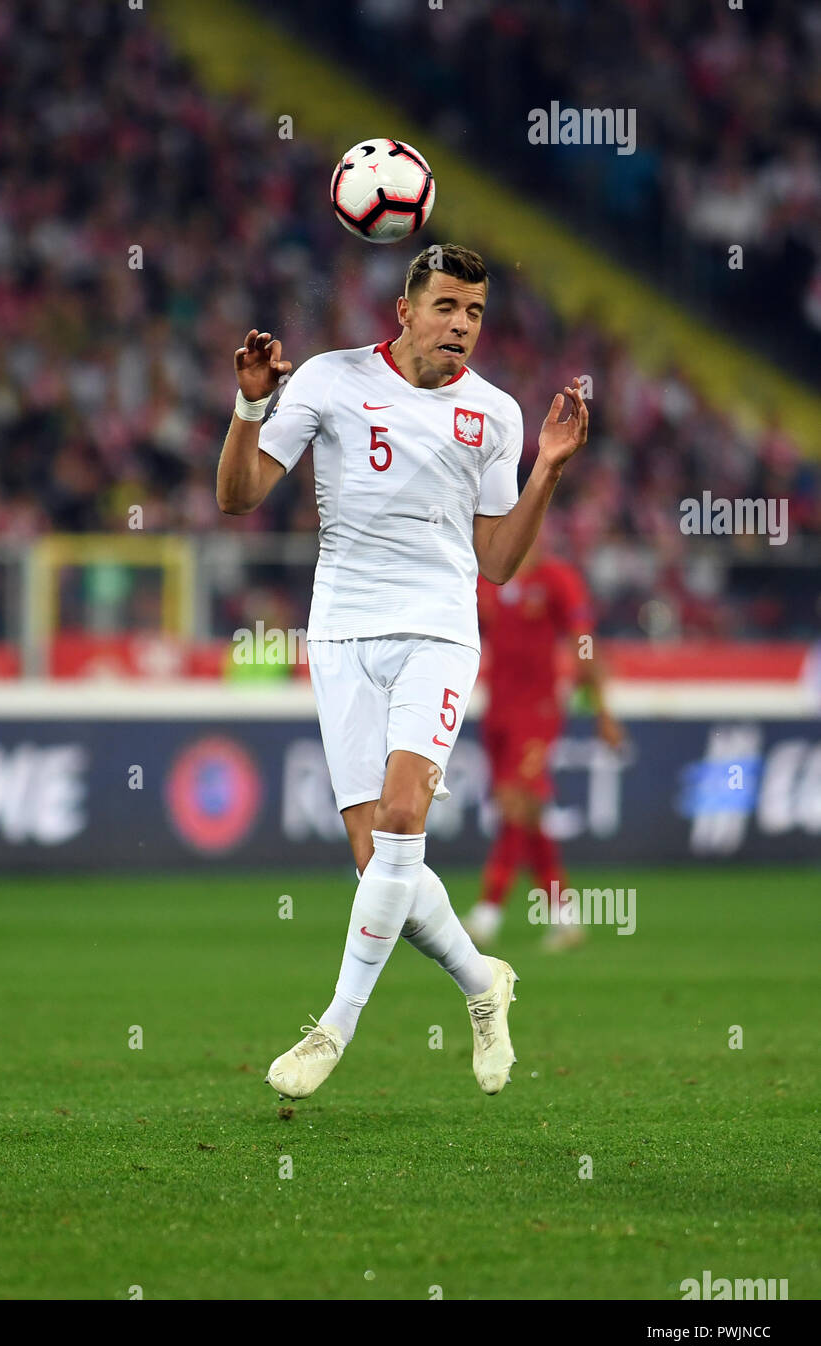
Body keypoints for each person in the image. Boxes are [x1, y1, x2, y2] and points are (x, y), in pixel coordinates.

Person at [215, 244, 589, 1102]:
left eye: (475, 313)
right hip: (342, 633)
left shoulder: (493, 414)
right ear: (405, 311)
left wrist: (546, 472)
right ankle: (479, 981)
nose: (461, 325)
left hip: (437, 630)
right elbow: (237, 497)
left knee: (401, 816)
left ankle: (331, 1028)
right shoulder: (327, 379)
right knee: (375, 858)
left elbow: (495, 561)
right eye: (447, 307)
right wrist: (248, 402)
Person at [464, 541, 624, 951]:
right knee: (526, 813)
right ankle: (566, 917)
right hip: (497, 711)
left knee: (515, 802)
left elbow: (583, 643)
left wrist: (602, 711)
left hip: (537, 713)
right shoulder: (488, 577)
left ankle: (487, 913)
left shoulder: (557, 579)